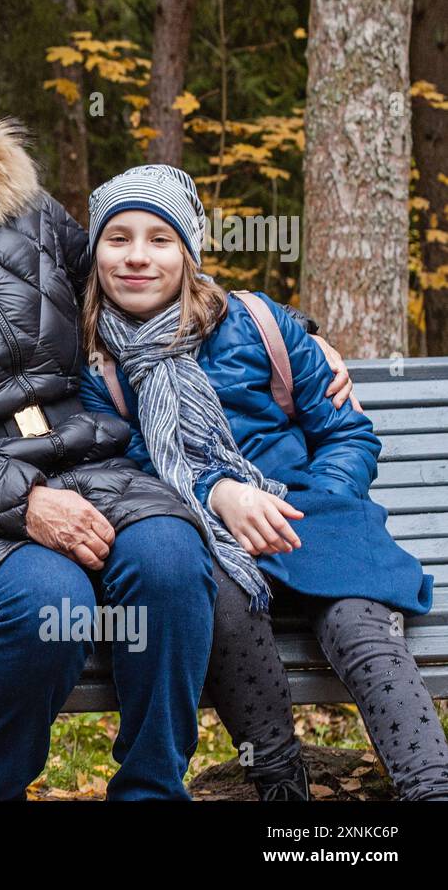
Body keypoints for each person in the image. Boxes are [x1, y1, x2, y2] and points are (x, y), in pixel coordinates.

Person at [0, 41, 357, 800]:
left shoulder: (20, 207)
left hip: (95, 461)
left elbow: (139, 282)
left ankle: (153, 787)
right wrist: (21, 503)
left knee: (168, 555)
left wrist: (291, 331)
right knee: (48, 602)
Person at [77, 163, 448, 800]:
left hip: (311, 520)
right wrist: (218, 498)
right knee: (219, 606)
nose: (138, 257)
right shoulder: (98, 368)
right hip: (208, 538)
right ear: (95, 252)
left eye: (160, 239)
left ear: (189, 252)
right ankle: (280, 785)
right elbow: (124, 471)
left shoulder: (257, 325)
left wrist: (315, 500)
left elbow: (347, 432)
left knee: (359, 628)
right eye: (119, 238)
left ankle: (430, 784)